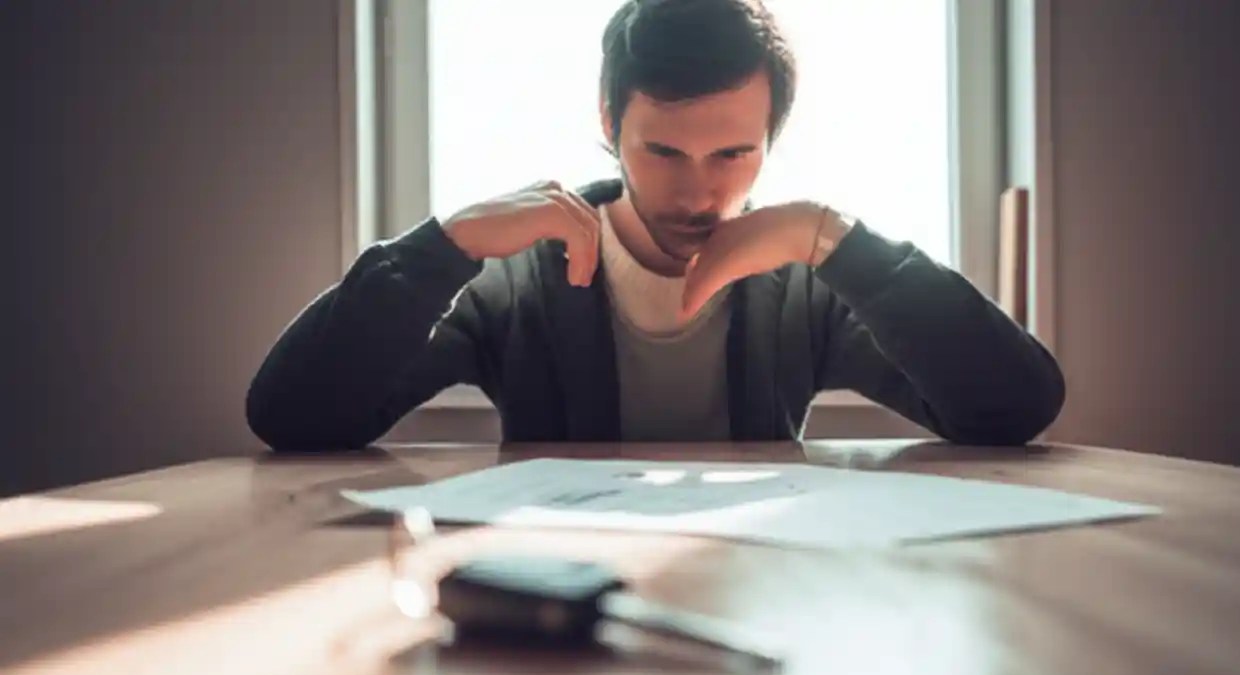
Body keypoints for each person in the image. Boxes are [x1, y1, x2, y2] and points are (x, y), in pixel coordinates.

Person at [246, 0, 1064, 451]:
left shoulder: (804, 283)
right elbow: (294, 418)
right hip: (560, 621)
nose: (698, 193)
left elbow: (1012, 408)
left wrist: (838, 239)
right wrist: (443, 245)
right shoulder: (517, 276)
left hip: (758, 603)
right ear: (609, 119)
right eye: (665, 150)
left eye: (735, 153)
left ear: (773, 134)